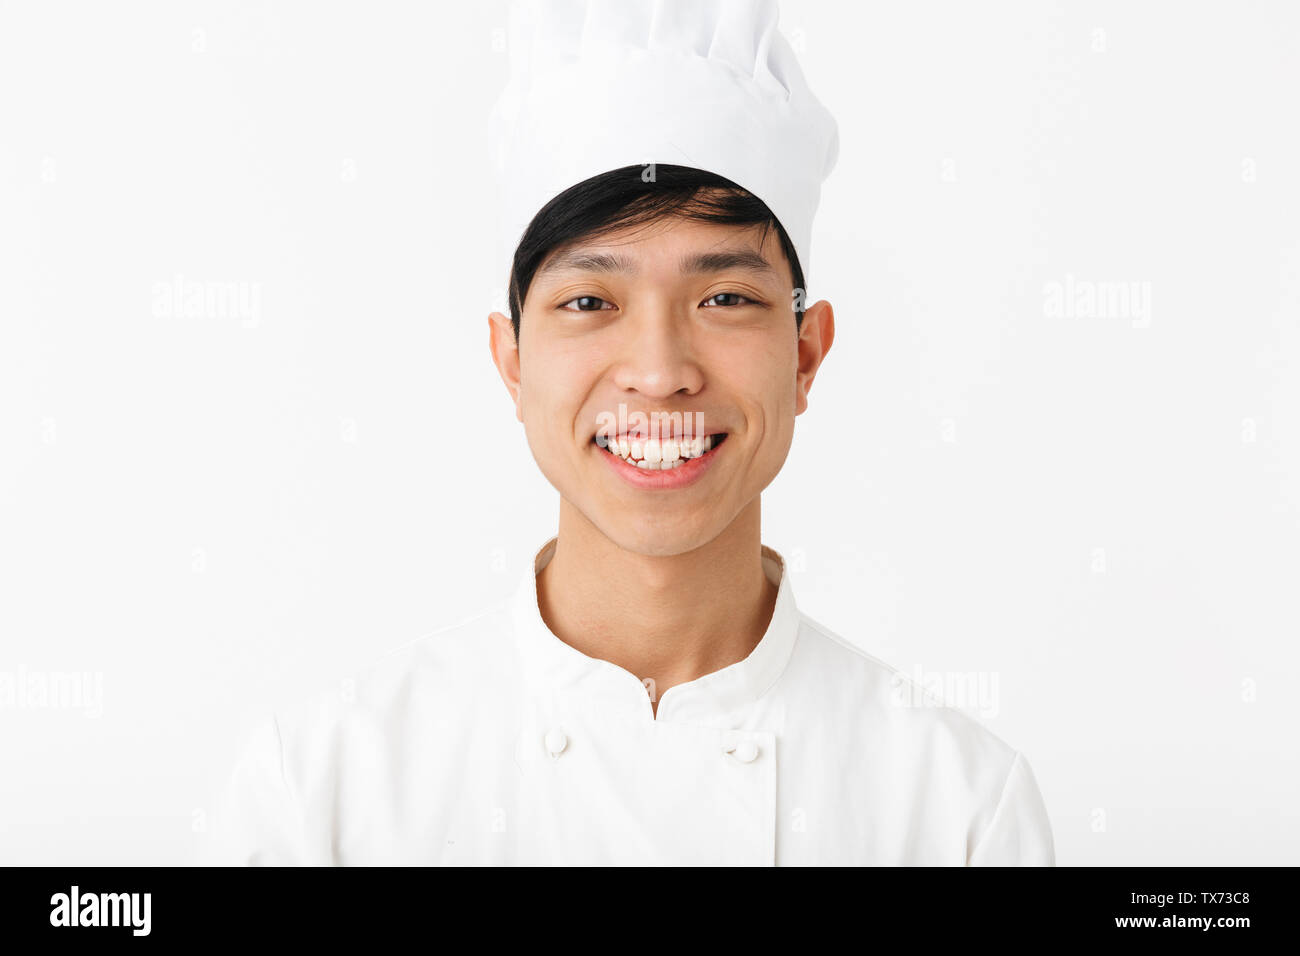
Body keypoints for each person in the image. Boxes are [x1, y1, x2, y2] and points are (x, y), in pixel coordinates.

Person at [197, 0, 1054, 866]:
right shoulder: (322, 792)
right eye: (589, 302)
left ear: (805, 354)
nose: (658, 369)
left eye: (724, 298)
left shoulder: (958, 809)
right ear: (513, 362)